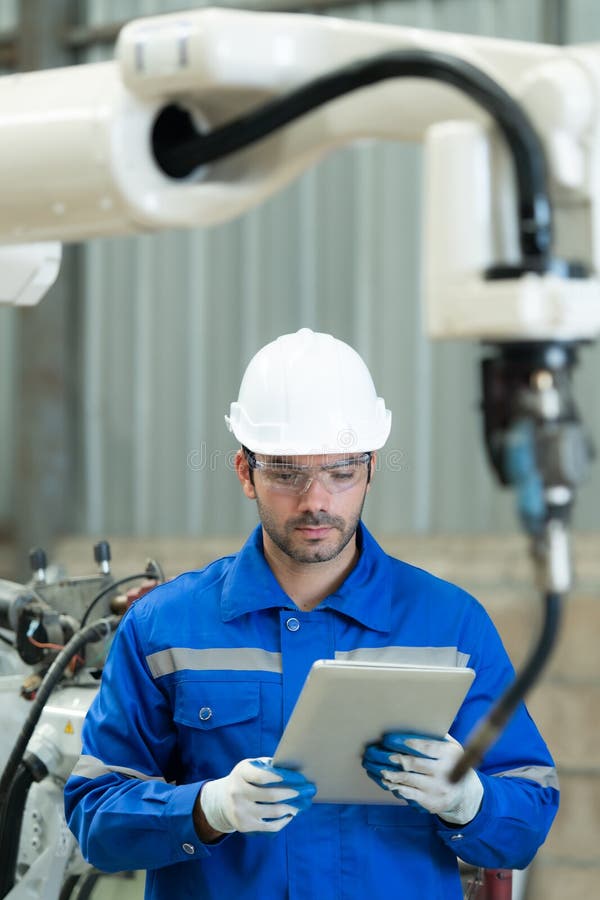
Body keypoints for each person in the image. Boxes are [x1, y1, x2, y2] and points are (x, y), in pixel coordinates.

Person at [64, 328, 559, 900]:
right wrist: (206, 809)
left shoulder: (450, 627)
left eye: (340, 473)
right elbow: (95, 820)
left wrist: (469, 801)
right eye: (286, 473)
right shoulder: (164, 629)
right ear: (245, 472)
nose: (316, 500)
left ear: (370, 469)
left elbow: (529, 811)